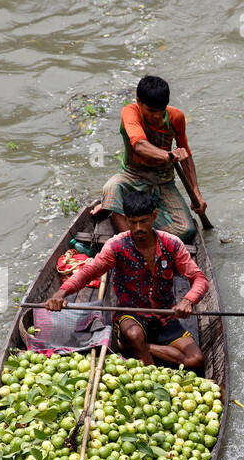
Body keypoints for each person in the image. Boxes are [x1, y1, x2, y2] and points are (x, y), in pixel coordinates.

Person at [44, 190, 208, 369]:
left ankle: (135, 348)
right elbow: (89, 272)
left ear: (154, 217)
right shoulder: (117, 245)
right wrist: (61, 293)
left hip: (165, 317)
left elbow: (199, 278)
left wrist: (187, 300)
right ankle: (150, 369)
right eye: (133, 222)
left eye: (143, 221)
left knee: (196, 360)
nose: (138, 228)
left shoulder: (172, 243)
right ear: (126, 220)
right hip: (130, 315)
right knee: (135, 334)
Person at [99, 75, 206, 243]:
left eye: (161, 110)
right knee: (111, 187)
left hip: (163, 181)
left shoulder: (176, 117)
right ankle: (131, 241)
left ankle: (127, 215)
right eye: (151, 111)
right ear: (139, 102)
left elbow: (186, 156)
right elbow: (139, 145)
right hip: (133, 177)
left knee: (186, 230)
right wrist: (169, 156)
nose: (157, 116)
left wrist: (197, 194)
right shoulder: (130, 112)